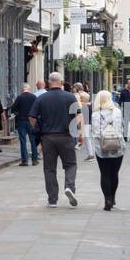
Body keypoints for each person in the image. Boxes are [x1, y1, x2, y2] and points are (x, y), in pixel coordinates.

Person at [29, 73, 80, 207]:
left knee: (49, 168)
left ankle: (52, 200)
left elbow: (32, 117)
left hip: (48, 137)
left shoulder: (42, 98)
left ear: (48, 83)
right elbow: (78, 116)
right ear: (61, 82)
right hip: (66, 136)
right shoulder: (70, 97)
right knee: (71, 164)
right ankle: (69, 186)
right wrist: (78, 131)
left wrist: (37, 129)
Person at [91, 90, 126, 210]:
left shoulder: (95, 114)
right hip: (117, 146)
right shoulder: (117, 112)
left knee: (105, 173)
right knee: (114, 173)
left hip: (102, 148)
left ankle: (107, 199)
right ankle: (113, 197)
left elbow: (95, 132)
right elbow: (121, 127)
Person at [9, 84, 40, 166]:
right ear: (29, 89)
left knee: (23, 141)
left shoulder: (19, 97)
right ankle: (35, 160)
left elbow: (13, 108)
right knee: (33, 140)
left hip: (21, 120)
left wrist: (18, 113)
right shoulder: (33, 97)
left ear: (22, 89)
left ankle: (24, 160)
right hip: (31, 120)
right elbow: (38, 108)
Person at [73, 83, 94, 161]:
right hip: (87, 116)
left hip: (82, 117)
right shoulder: (87, 97)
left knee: (86, 136)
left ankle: (90, 154)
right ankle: (90, 153)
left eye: (74, 87)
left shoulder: (78, 95)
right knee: (88, 136)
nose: (73, 89)